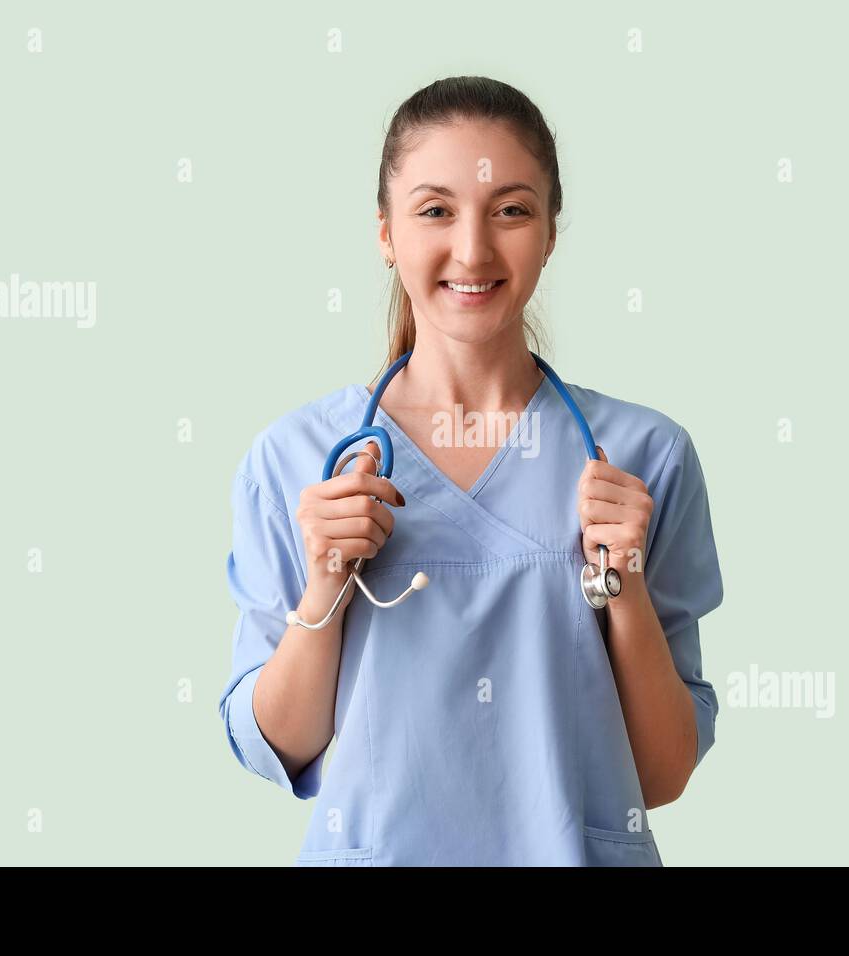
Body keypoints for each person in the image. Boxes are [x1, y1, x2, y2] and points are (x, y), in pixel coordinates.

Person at [218, 76, 723, 866]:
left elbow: (661, 774)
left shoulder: (644, 457)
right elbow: (276, 748)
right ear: (386, 233)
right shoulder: (295, 460)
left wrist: (618, 581)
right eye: (434, 211)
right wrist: (324, 584)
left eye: (512, 210)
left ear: (551, 233)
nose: (474, 250)